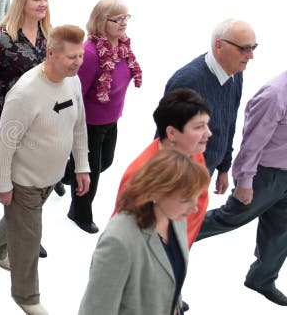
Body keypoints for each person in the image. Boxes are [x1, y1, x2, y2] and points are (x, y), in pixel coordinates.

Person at [0, 24, 89, 315]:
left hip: (51, 177)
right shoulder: (25, 93)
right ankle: (26, 297)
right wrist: (3, 185)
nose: (78, 62)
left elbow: (79, 125)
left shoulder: (72, 82)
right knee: (29, 240)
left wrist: (82, 166)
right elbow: (4, 143)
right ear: (51, 54)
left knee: (20, 223)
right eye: (71, 57)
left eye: (80, 55)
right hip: (25, 183)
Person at [0, 0, 53, 267]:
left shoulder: (47, 35)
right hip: (4, 110)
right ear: (23, 2)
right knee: (22, 170)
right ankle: (16, 233)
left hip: (37, 111)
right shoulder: (2, 38)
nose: (43, 4)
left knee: (3, 153)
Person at [79, 149, 209, 315]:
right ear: (159, 191)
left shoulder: (176, 220)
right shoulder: (119, 240)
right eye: (186, 199)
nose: (194, 208)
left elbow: (172, 276)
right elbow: (96, 309)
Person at [196, 71, 287, 307]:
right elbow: (252, 142)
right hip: (264, 175)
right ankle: (168, 235)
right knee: (231, 217)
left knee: (281, 230)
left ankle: (261, 279)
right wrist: (245, 181)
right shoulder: (275, 94)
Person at [67, 0, 142, 234]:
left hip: (111, 120)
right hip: (89, 124)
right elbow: (76, 92)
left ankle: (60, 174)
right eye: (116, 19)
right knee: (89, 174)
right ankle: (80, 213)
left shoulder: (123, 47)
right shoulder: (90, 53)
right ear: (101, 21)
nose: (123, 23)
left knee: (105, 162)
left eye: (125, 17)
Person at [165, 19, 255, 194]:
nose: (251, 55)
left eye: (253, 47)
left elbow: (229, 122)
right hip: (181, 180)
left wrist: (224, 167)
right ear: (219, 45)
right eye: (244, 48)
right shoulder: (188, 82)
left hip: (206, 172)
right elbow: (167, 139)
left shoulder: (235, 73)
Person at [113, 88, 212, 247]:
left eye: (207, 125)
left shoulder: (193, 153)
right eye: (199, 127)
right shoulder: (141, 174)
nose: (209, 133)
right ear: (172, 133)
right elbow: (120, 233)